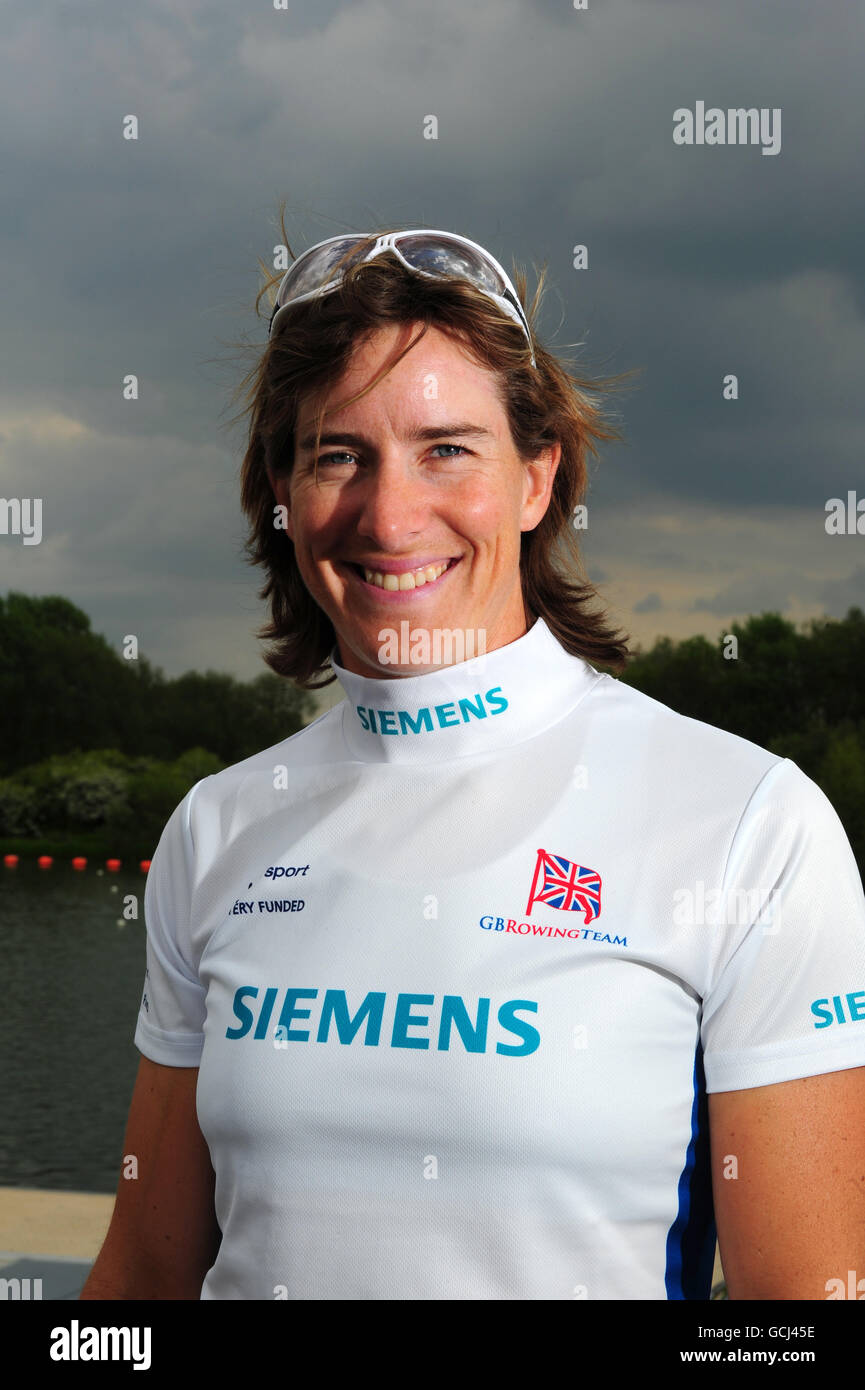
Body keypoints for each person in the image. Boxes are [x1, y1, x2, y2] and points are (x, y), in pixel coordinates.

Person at [81, 225, 865, 1301]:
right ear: (282, 491)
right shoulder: (219, 824)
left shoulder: (748, 823)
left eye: (446, 447)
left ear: (538, 477)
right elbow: (144, 1276)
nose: (390, 514)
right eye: (337, 454)